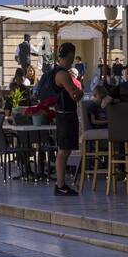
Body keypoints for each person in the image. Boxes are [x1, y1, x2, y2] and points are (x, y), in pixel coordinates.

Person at [47, 42, 83, 196]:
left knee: (65, 150)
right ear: (68, 55)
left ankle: (60, 184)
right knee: (63, 150)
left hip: (62, 113)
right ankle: (60, 185)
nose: (73, 59)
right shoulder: (63, 74)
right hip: (65, 114)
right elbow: (74, 95)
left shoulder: (55, 71)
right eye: (72, 56)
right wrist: (80, 91)